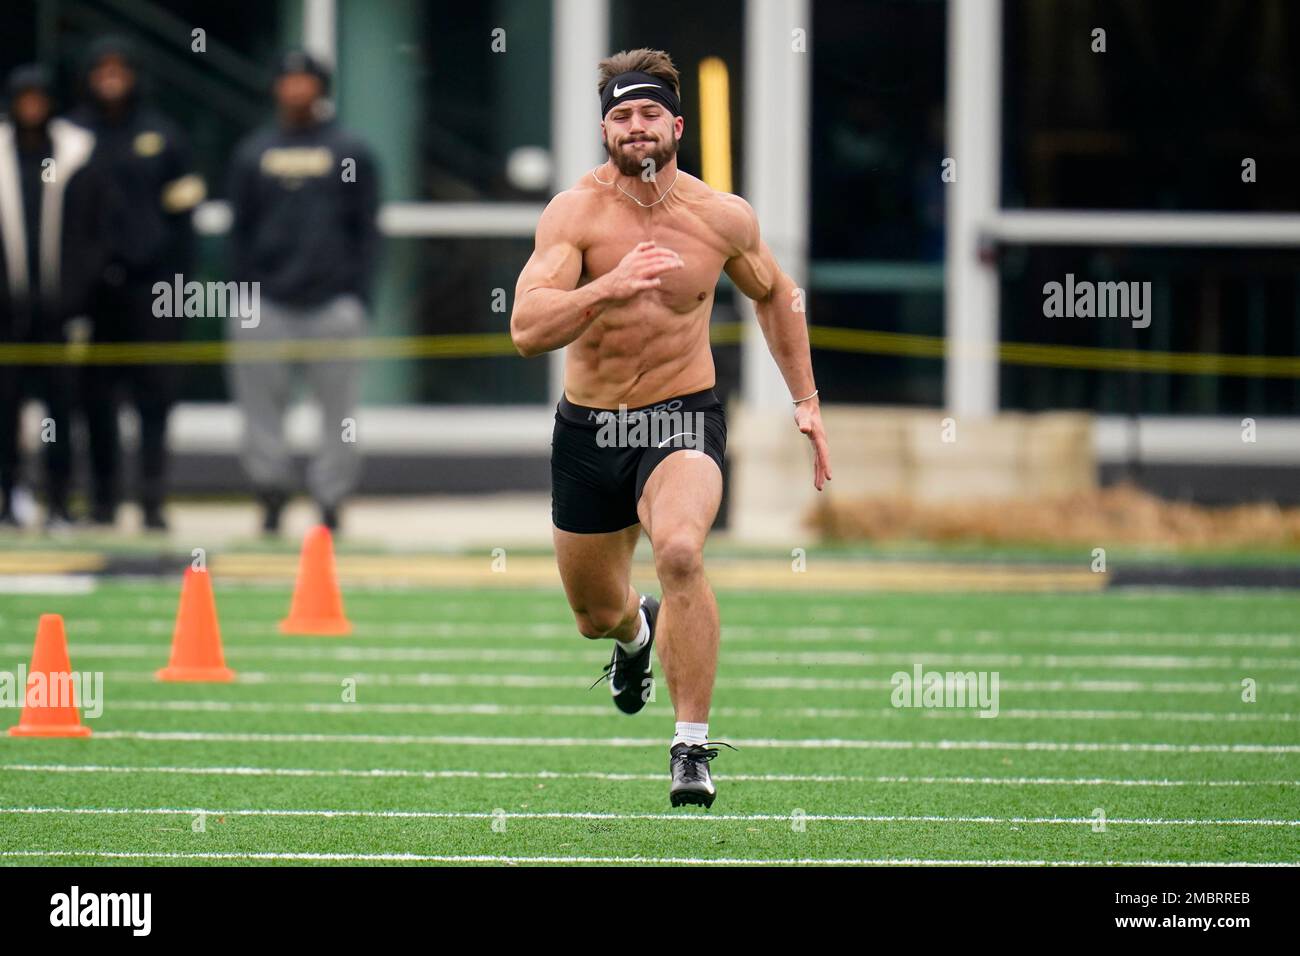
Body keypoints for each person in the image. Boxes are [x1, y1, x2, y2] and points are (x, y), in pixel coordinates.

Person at [509, 48, 832, 807]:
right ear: (605, 131)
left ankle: (690, 747)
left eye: (649, 112)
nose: (636, 127)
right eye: (621, 115)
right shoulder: (573, 214)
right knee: (596, 615)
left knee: (681, 551)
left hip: (680, 416)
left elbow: (778, 295)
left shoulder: (721, 217)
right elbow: (526, 328)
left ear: (676, 124)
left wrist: (806, 398)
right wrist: (608, 286)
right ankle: (636, 637)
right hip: (591, 430)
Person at [226, 50, 380, 534]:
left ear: (321, 88)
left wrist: (357, 295)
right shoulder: (253, 153)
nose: (296, 90)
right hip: (266, 304)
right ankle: (270, 494)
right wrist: (244, 296)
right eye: (288, 81)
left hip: (332, 303)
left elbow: (367, 231)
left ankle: (330, 503)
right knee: (260, 412)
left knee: (338, 414)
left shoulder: (350, 151)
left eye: (305, 81)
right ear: (276, 88)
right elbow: (239, 233)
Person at [71, 35, 205, 530]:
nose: (110, 76)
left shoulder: (164, 135)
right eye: (100, 67)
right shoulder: (70, 136)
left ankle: (152, 499)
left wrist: (180, 291)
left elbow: (186, 220)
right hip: (90, 294)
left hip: (154, 291)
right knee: (94, 400)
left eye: (118, 67)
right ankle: (103, 499)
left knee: (155, 397)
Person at [0, 65, 110, 529]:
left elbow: (93, 234)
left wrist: (74, 297)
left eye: (38, 98)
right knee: (5, 412)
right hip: (7, 314)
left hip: (60, 311)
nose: (31, 107)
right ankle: (9, 499)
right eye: (23, 98)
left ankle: (61, 501)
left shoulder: (75, 153)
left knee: (62, 412)